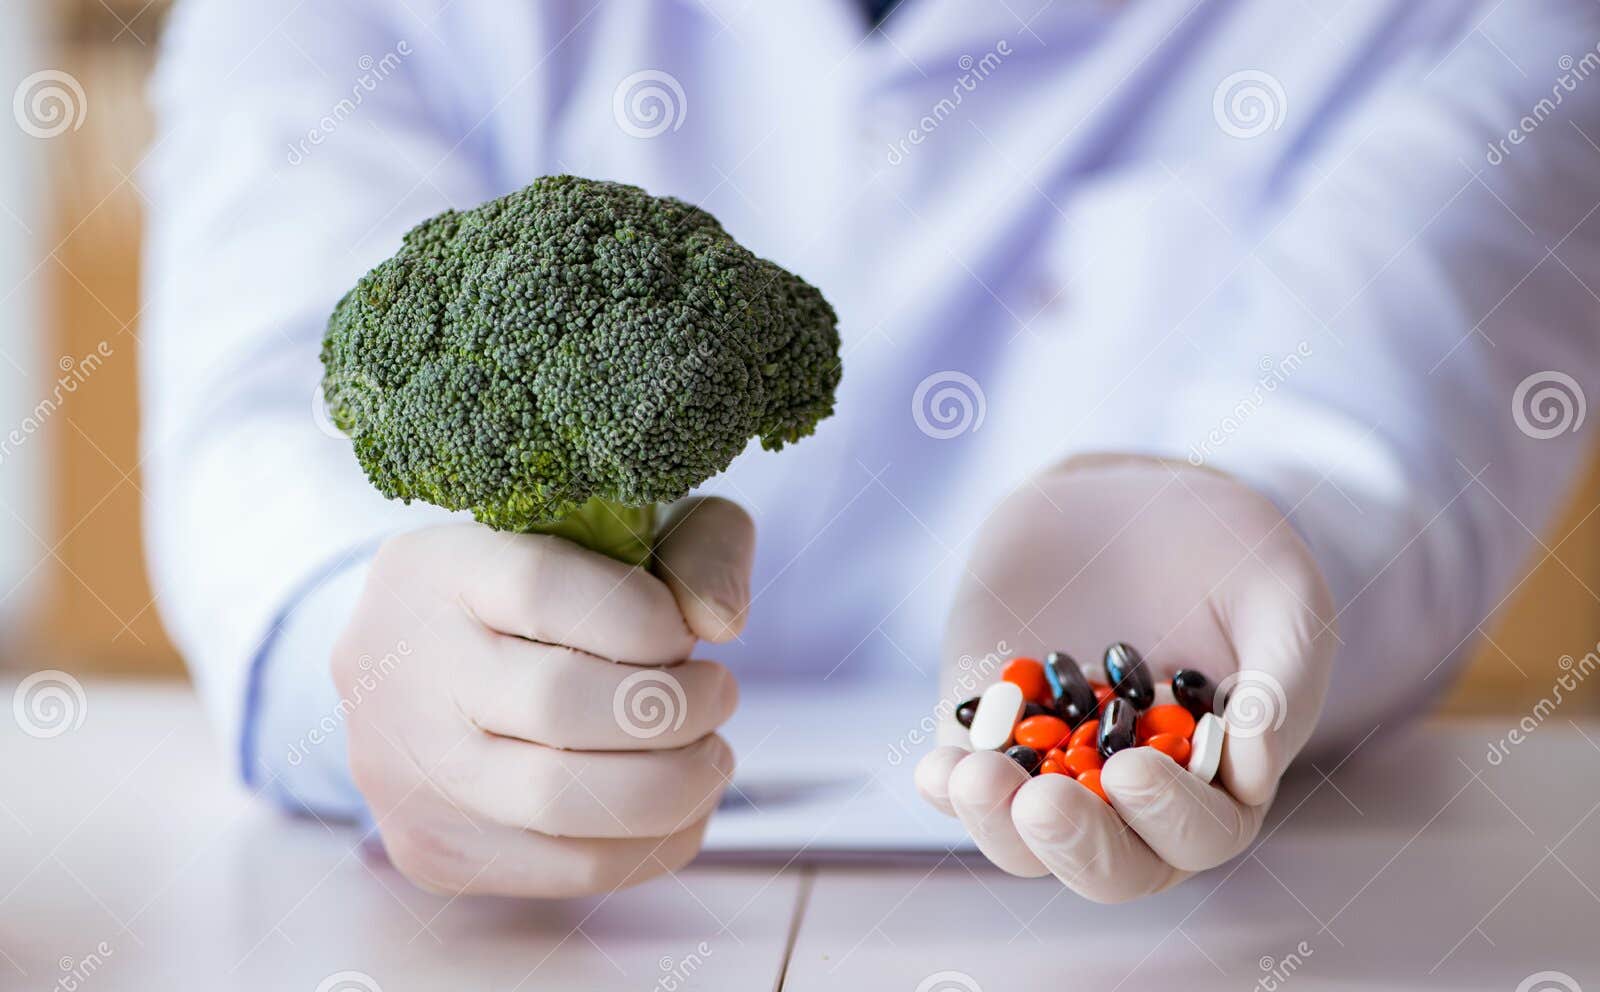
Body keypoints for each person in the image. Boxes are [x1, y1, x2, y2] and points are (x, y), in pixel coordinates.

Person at [141, 0, 1600, 900]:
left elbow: (1402, 374)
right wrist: (373, 656)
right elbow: (266, 390)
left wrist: (1261, 519)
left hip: (1173, 958)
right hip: (515, 966)